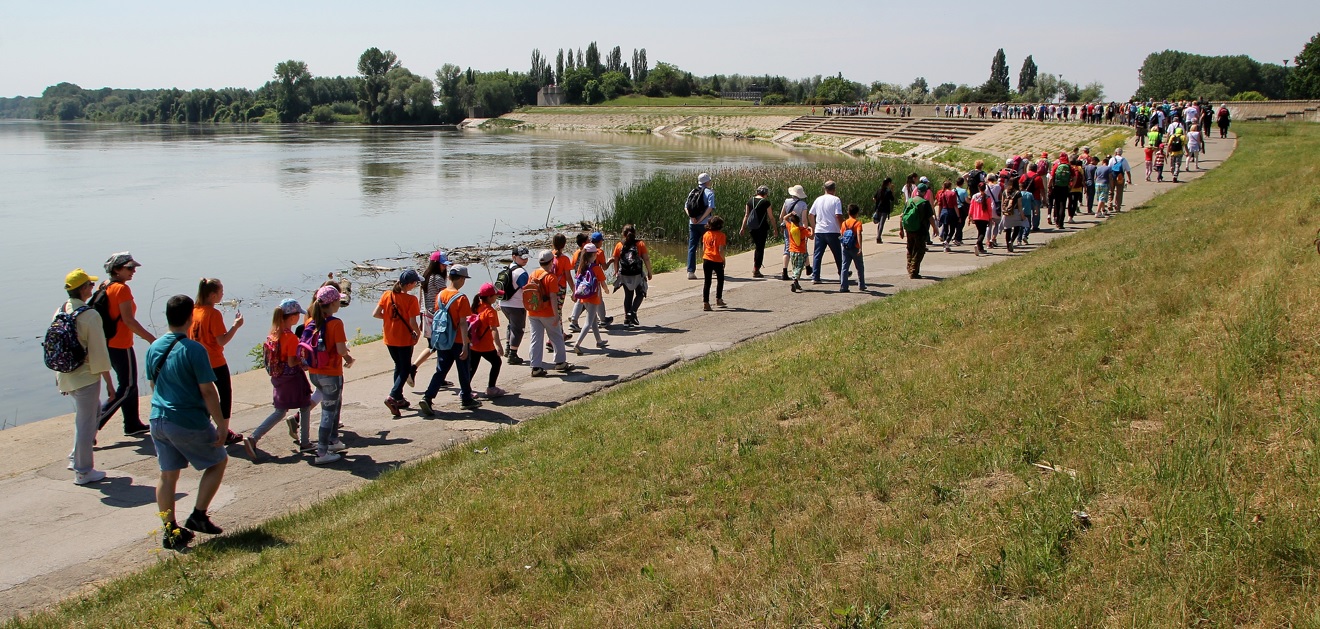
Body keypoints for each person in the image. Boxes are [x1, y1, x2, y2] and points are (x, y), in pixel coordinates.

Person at [146, 295, 228, 550]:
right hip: (186, 419)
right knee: (218, 460)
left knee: (168, 476)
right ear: (190, 318)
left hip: (157, 419)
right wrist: (221, 423)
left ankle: (170, 530)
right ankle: (198, 515)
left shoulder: (154, 347)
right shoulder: (194, 349)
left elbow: (153, 384)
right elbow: (208, 390)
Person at [55, 269, 113, 485]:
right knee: (86, 422)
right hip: (86, 376)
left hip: (66, 374)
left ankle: (75, 456)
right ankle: (83, 471)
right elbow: (99, 352)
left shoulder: (60, 310)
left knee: (92, 412)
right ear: (82, 289)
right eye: (89, 284)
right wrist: (109, 382)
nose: (92, 287)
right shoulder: (90, 315)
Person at [243, 299, 317, 459]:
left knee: (280, 410)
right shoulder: (290, 338)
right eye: (298, 315)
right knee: (304, 405)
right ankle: (305, 443)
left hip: (278, 378)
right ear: (292, 317)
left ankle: (254, 437)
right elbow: (292, 361)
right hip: (292, 379)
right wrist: (304, 360)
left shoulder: (273, 334)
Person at [98, 252, 155, 437]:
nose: (133, 271)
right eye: (129, 268)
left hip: (109, 342)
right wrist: (151, 339)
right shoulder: (122, 290)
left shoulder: (105, 286)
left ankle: (132, 424)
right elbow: (129, 321)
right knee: (128, 386)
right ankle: (94, 423)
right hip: (120, 344)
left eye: (134, 268)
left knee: (129, 384)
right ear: (116, 270)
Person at [190, 278, 245, 446]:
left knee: (203, 397)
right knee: (225, 395)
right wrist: (236, 326)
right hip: (215, 361)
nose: (223, 295)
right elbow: (221, 340)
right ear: (213, 295)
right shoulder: (213, 314)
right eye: (221, 292)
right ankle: (224, 431)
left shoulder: (194, 311)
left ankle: (202, 429)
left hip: (197, 361)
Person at [419, 265, 480, 414]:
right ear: (460, 279)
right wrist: (466, 344)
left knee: (440, 370)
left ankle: (427, 397)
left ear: (449, 278)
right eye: (464, 278)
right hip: (458, 339)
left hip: (443, 338)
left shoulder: (440, 296)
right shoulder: (461, 298)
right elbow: (463, 323)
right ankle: (466, 399)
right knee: (463, 369)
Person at [306, 284, 353, 465]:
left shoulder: (312, 321)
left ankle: (333, 441)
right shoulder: (336, 323)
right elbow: (341, 349)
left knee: (333, 407)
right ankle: (322, 452)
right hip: (331, 373)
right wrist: (348, 358)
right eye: (338, 301)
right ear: (333, 303)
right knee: (328, 412)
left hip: (315, 373)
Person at [374, 270, 421, 417]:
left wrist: (388, 319)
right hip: (404, 338)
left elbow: (375, 314)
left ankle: (399, 398)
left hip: (390, 337)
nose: (416, 285)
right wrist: (418, 334)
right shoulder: (411, 300)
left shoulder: (387, 295)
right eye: (415, 283)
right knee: (405, 368)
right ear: (410, 284)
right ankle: (393, 396)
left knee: (398, 366)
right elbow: (413, 322)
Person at [525, 251, 574, 378]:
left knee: (536, 338)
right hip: (547, 312)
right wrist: (556, 313)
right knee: (556, 336)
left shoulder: (533, 274)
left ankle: (535, 366)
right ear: (551, 261)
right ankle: (560, 362)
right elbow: (553, 297)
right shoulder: (551, 277)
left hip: (533, 311)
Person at [410, 251, 449, 385]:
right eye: (442, 265)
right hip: (436, 317)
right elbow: (446, 296)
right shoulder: (437, 278)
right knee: (436, 346)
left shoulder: (426, 276)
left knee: (437, 346)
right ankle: (413, 367)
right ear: (435, 264)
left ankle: (440, 376)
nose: (445, 267)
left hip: (426, 315)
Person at [468, 283, 507, 399]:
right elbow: (493, 330)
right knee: (496, 363)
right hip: (486, 346)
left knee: (472, 367)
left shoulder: (476, 306)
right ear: (490, 297)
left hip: (473, 344)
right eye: (495, 296)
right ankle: (491, 388)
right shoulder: (490, 311)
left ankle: (465, 390)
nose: (496, 298)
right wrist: (499, 346)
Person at [571, 243, 610, 354]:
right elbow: (602, 282)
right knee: (588, 322)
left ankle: (599, 341)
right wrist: (606, 290)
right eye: (595, 254)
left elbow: (577, 281)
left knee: (593, 320)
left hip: (584, 296)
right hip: (593, 296)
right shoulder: (596, 268)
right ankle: (577, 344)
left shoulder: (581, 267)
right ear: (593, 255)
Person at [612, 224, 652, 327]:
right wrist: (649, 271)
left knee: (628, 296)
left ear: (623, 234)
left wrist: (616, 272)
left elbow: (616, 260)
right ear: (635, 233)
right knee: (640, 293)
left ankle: (627, 319)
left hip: (625, 274)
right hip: (637, 274)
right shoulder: (640, 244)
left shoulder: (619, 245)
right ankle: (633, 312)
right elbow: (646, 259)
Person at [498, 247, 530, 365]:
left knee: (511, 325)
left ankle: (508, 347)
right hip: (517, 305)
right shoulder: (521, 272)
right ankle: (513, 354)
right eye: (522, 258)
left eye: (526, 257)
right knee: (518, 329)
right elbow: (527, 290)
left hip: (503, 304)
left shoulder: (508, 269)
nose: (525, 260)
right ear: (514, 257)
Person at [899, 182, 937, 279]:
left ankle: (909, 267)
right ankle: (913, 271)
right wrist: (935, 228)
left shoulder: (909, 201)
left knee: (910, 249)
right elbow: (930, 218)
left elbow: (902, 215)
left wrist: (901, 229)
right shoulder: (924, 203)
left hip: (909, 229)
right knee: (920, 250)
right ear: (925, 192)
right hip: (920, 229)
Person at [808, 180, 844, 284]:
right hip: (833, 230)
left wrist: (814, 227)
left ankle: (816, 276)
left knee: (817, 254)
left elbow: (811, 214)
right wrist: (842, 227)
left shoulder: (818, 199)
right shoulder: (836, 200)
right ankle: (842, 273)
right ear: (834, 189)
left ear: (825, 189)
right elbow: (838, 215)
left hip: (820, 230)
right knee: (837, 253)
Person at [740, 186, 775, 277]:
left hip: (752, 227)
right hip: (762, 227)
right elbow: (771, 217)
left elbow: (746, 215)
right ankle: (756, 269)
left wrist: (743, 228)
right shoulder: (766, 202)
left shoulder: (750, 201)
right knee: (760, 248)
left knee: (757, 247)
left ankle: (756, 265)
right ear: (766, 193)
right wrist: (775, 229)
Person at [686, 173, 715, 280]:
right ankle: (710, 269)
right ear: (707, 182)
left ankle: (690, 271)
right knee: (708, 245)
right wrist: (702, 218)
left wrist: (692, 217)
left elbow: (686, 206)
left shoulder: (692, 192)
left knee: (692, 247)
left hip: (692, 223)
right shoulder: (709, 192)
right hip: (705, 224)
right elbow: (710, 208)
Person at [779, 185, 809, 280]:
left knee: (787, 249)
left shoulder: (786, 202)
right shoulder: (803, 205)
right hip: (798, 229)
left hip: (789, 228)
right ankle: (808, 267)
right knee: (802, 247)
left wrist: (783, 224)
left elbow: (781, 216)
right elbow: (804, 220)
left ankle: (784, 271)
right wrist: (806, 230)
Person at [702, 216, 728, 310]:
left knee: (707, 282)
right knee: (720, 280)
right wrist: (723, 259)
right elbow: (721, 250)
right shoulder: (721, 235)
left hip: (707, 259)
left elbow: (704, 248)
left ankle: (706, 302)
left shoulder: (706, 234)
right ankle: (718, 299)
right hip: (717, 260)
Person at [839, 204, 867, 292]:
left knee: (844, 267)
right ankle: (861, 285)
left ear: (848, 212)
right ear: (857, 213)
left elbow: (842, 235)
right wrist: (860, 247)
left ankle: (844, 286)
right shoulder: (857, 223)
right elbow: (859, 234)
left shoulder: (844, 223)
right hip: (855, 247)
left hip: (845, 247)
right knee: (859, 267)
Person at [999, 178, 1028, 253]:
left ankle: (1008, 247)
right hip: (1015, 212)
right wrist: (1022, 216)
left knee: (1008, 230)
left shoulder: (1005, 192)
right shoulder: (1018, 193)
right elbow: (1020, 206)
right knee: (1017, 227)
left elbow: (1002, 203)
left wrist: (1003, 212)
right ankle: (1011, 241)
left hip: (1007, 213)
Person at [785, 213, 811, 293]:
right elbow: (812, 236)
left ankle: (797, 282)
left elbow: (784, 218)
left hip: (792, 251)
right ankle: (795, 280)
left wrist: (790, 214)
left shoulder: (790, 228)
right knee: (799, 268)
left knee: (794, 267)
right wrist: (811, 229)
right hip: (801, 251)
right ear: (799, 222)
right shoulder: (802, 230)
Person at [969, 182, 994, 255]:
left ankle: (980, 248)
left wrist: (970, 216)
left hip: (976, 217)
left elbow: (971, 207)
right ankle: (978, 243)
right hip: (984, 217)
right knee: (982, 233)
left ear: (978, 188)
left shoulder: (974, 196)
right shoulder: (987, 197)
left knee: (980, 232)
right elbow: (989, 209)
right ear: (985, 188)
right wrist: (990, 218)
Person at [936, 180, 958, 253]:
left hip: (944, 212)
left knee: (945, 229)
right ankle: (947, 241)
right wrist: (958, 215)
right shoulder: (952, 193)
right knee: (952, 230)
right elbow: (955, 205)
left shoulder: (942, 194)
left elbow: (940, 205)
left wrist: (939, 215)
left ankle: (945, 247)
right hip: (951, 212)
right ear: (950, 186)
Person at [871, 178, 895, 243]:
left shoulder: (879, 190)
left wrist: (878, 202)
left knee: (879, 223)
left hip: (878, 209)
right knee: (882, 223)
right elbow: (892, 199)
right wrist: (892, 190)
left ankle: (878, 236)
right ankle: (878, 237)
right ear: (889, 183)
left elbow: (874, 198)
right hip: (885, 209)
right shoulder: (888, 191)